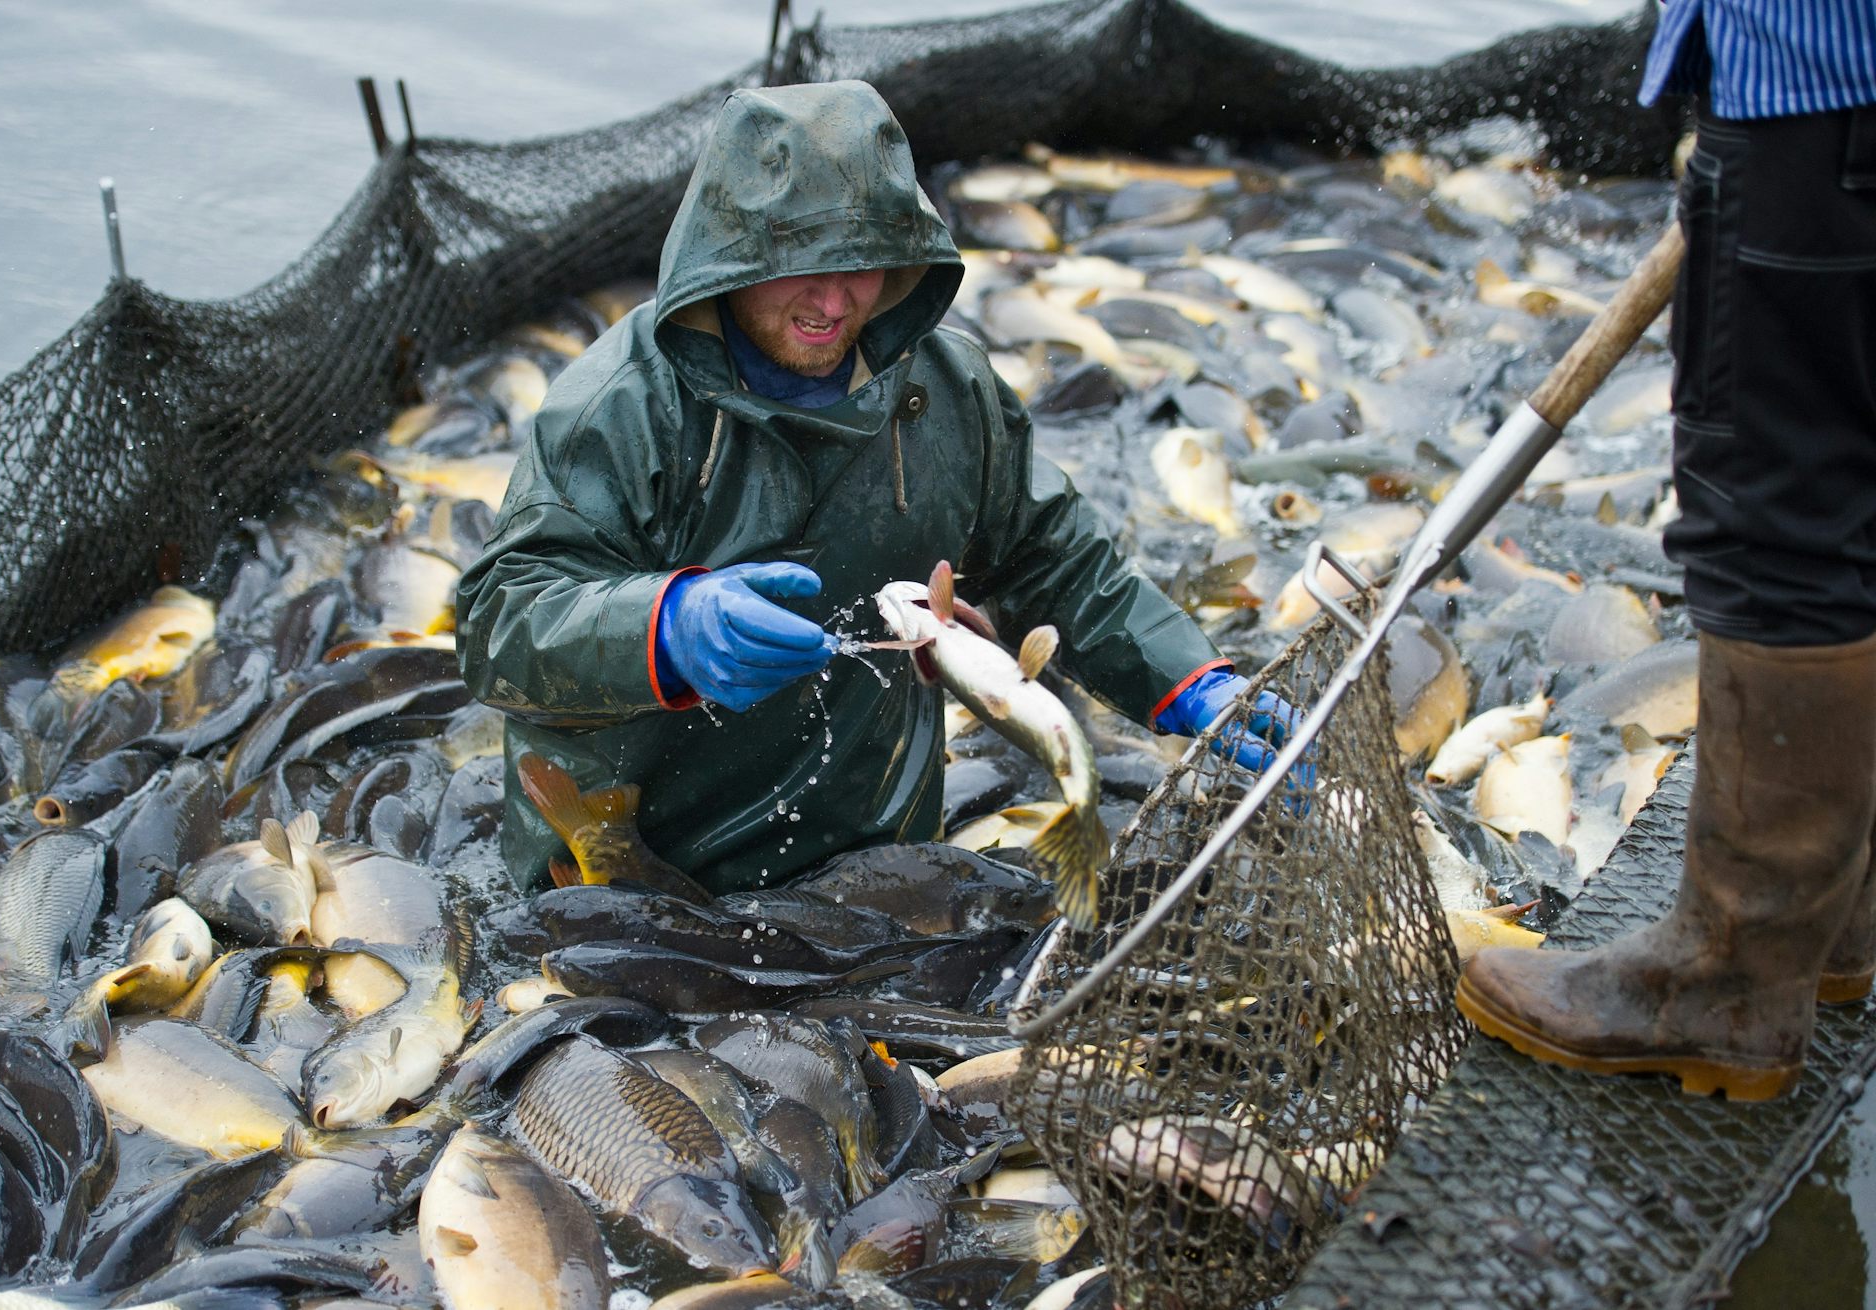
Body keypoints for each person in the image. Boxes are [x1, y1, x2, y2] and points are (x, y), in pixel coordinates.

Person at [455, 80, 1288, 897]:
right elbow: (500, 623)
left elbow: (1057, 559)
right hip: (639, 857)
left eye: (859, 264)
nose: (832, 300)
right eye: (794, 266)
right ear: (725, 262)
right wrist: (667, 627)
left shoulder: (949, 386)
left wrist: (1192, 681)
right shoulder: (620, 406)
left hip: (874, 850)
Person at [1456, 2, 1876, 1101]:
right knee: (1857, 488)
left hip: (1821, 96)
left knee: (1775, 524)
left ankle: (1729, 977)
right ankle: (1837, 917)